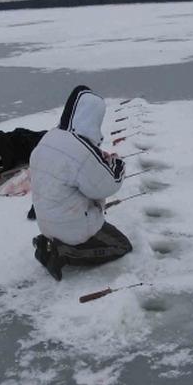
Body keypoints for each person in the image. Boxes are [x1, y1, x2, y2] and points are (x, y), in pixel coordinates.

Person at [29, 85, 133, 280]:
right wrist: (117, 164)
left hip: (47, 222)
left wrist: (97, 160)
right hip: (70, 226)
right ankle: (63, 253)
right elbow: (106, 186)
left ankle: (49, 242)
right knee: (120, 245)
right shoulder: (80, 148)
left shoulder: (50, 137)